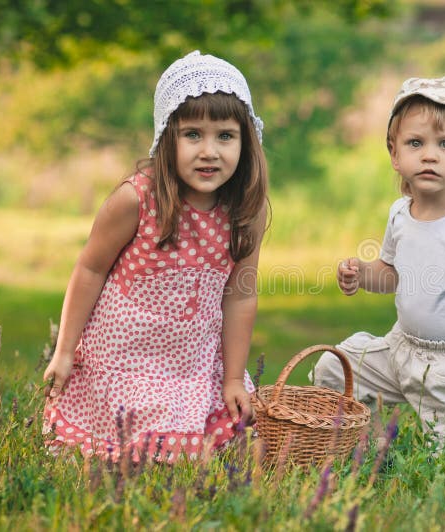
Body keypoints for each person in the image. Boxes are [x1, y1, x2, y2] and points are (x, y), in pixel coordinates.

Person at [42, 50, 269, 462]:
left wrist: (233, 378)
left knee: (245, 447)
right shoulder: (137, 199)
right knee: (140, 458)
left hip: (193, 365)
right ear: (167, 137)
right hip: (126, 360)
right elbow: (90, 269)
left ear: (245, 140)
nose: (210, 151)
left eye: (225, 136)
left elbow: (240, 295)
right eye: (192, 135)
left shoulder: (244, 215)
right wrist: (64, 351)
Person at [312, 76, 445, 465]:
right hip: (400, 350)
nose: (429, 155)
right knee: (332, 368)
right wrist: (362, 274)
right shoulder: (399, 213)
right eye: (416, 143)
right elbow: (392, 274)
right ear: (395, 154)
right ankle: (373, 449)